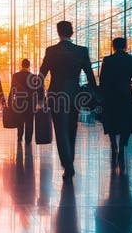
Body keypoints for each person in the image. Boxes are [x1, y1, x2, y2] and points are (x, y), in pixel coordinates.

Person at [39, 20, 98, 181]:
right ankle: (69, 161)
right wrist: (96, 93)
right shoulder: (81, 51)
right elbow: (90, 74)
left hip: (56, 96)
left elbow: (41, 75)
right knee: (72, 129)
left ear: (58, 33)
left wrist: (40, 97)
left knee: (61, 131)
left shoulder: (51, 51)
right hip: (74, 96)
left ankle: (68, 165)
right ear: (71, 32)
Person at [98, 37, 132, 172]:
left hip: (111, 96)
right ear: (125, 46)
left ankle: (113, 143)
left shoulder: (108, 60)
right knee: (125, 120)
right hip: (126, 95)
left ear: (113, 47)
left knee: (111, 119)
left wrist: (102, 96)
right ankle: (122, 145)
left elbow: (102, 80)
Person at [8, 58, 39, 145]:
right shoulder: (33, 77)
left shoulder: (15, 76)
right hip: (30, 103)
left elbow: (13, 89)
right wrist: (38, 102)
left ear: (21, 65)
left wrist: (9, 101)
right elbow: (36, 91)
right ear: (29, 66)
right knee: (30, 122)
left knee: (20, 121)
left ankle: (19, 138)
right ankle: (28, 140)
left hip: (19, 102)